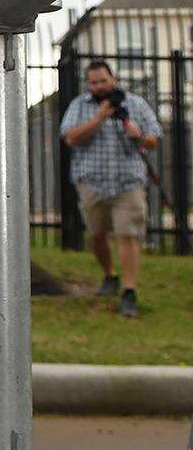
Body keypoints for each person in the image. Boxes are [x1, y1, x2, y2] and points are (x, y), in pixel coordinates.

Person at [60, 57, 161, 318]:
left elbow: (153, 140)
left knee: (128, 234)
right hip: (92, 181)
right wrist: (99, 118)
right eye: (94, 83)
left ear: (113, 79)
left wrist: (136, 133)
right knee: (97, 235)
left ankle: (129, 291)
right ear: (89, 84)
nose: (99, 86)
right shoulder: (80, 105)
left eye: (103, 81)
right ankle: (110, 275)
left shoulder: (135, 104)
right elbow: (70, 137)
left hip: (128, 181)